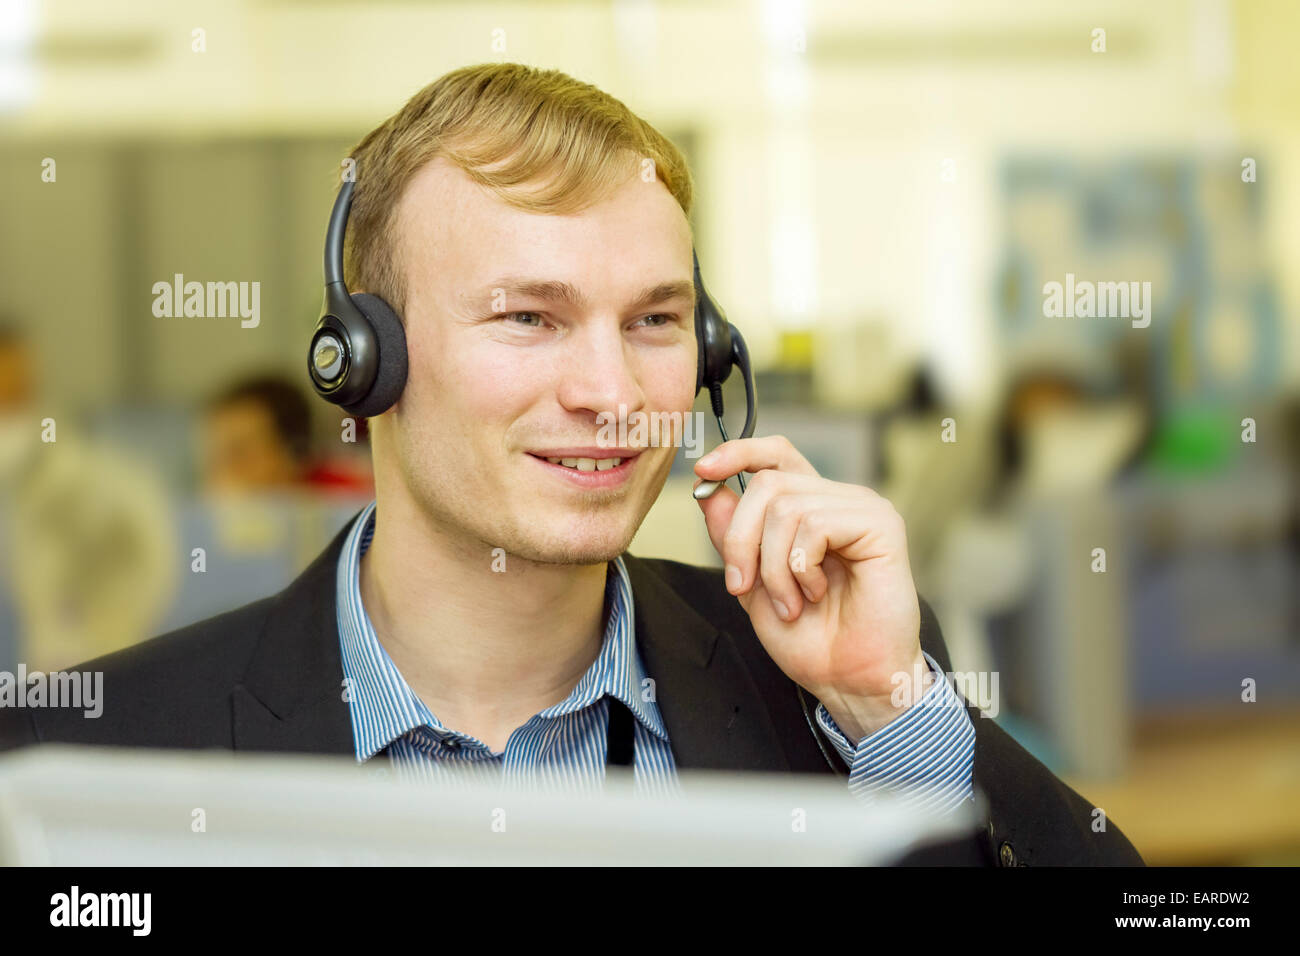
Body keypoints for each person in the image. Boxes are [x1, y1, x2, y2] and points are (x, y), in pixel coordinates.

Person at [0, 63, 1141, 866]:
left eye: (653, 320)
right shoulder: (81, 750)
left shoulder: (831, 698)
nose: (612, 392)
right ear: (364, 359)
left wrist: (891, 712)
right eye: (530, 317)